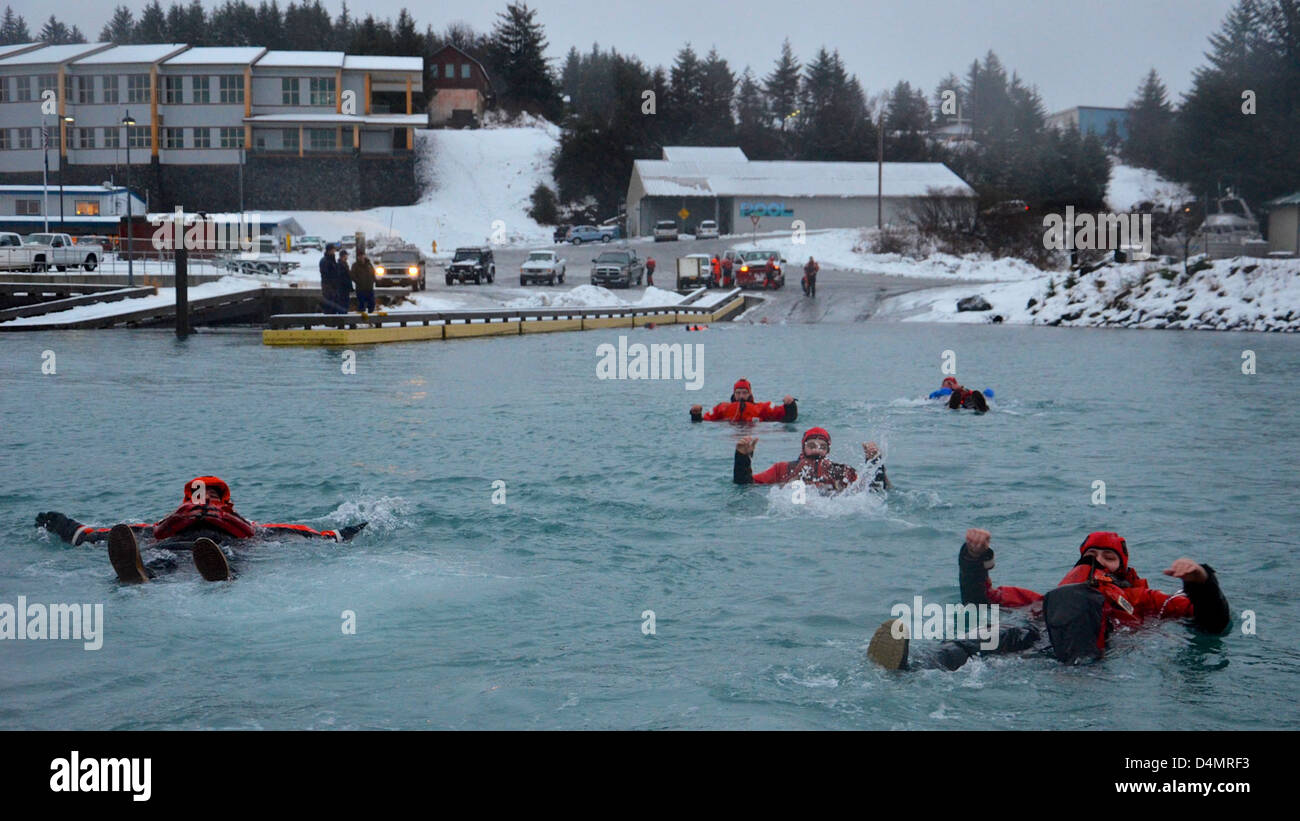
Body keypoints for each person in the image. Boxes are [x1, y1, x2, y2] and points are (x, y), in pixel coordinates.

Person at [867, 529, 1230, 670]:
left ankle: (1077, 669)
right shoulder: (1044, 599)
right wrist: (973, 559)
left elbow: (1211, 621)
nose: (1097, 561)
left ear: (1123, 566)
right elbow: (981, 598)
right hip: (1038, 632)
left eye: (1108, 557)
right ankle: (915, 664)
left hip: (1095, 646)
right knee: (982, 636)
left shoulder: (1144, 600)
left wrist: (1201, 580)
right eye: (1090, 556)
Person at [35, 476, 367, 583]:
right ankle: (140, 573)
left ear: (224, 501)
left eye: (210, 494)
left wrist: (348, 532)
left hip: (223, 547)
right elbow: (92, 535)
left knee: (227, 555)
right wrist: (57, 522)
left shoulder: (251, 527)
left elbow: (302, 533)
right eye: (198, 495)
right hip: (174, 546)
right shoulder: (157, 528)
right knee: (162, 560)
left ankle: (225, 577)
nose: (203, 499)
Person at [734, 427, 889, 493]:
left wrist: (874, 462)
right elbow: (745, 484)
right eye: (811, 445)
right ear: (803, 447)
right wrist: (742, 458)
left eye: (822, 446)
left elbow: (874, 489)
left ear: (828, 450)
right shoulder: (781, 469)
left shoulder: (842, 471)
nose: (816, 449)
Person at [690, 378, 797, 423]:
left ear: (750, 394)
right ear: (734, 394)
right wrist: (696, 414)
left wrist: (790, 404)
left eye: (744, 392)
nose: (741, 396)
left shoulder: (762, 407)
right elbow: (704, 421)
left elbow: (786, 416)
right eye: (738, 392)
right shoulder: (722, 407)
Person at [351, 248, 376, 313]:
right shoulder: (355, 265)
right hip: (360, 289)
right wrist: (359, 282)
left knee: (372, 304)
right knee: (361, 305)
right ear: (358, 257)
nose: (361, 257)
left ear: (364, 256)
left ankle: (371, 319)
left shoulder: (369, 264)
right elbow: (352, 276)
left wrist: (373, 280)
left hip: (369, 288)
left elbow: (373, 273)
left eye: (362, 255)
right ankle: (361, 321)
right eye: (359, 256)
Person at [319, 244, 339, 313]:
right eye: (333, 250)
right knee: (329, 304)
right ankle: (329, 321)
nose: (334, 251)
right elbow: (326, 274)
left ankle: (332, 321)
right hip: (328, 286)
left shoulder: (332, 259)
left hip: (333, 286)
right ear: (329, 250)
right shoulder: (325, 261)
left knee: (333, 304)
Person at [334, 248, 354, 313]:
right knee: (342, 305)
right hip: (342, 289)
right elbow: (342, 277)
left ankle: (343, 319)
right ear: (342, 256)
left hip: (345, 289)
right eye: (345, 256)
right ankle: (342, 320)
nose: (346, 257)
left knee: (345, 306)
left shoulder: (345, 264)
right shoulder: (340, 265)